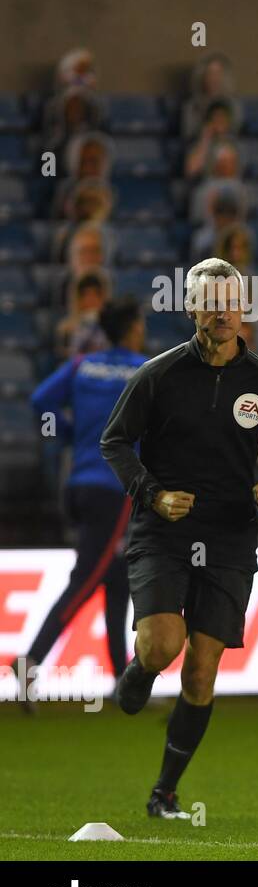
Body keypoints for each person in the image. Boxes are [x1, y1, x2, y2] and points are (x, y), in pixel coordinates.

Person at [100, 258, 258, 819]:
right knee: (163, 646)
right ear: (191, 306)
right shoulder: (159, 375)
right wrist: (151, 493)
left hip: (229, 538)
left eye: (231, 300)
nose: (221, 311)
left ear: (243, 307)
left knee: (201, 668)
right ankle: (141, 667)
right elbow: (115, 442)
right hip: (165, 530)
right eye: (210, 300)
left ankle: (164, 791)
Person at [10, 300, 149, 711]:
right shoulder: (144, 369)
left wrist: (70, 434)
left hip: (80, 484)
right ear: (131, 329)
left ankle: (122, 681)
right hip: (115, 488)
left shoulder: (81, 366)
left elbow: (39, 400)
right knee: (87, 578)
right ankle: (30, 660)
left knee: (117, 576)